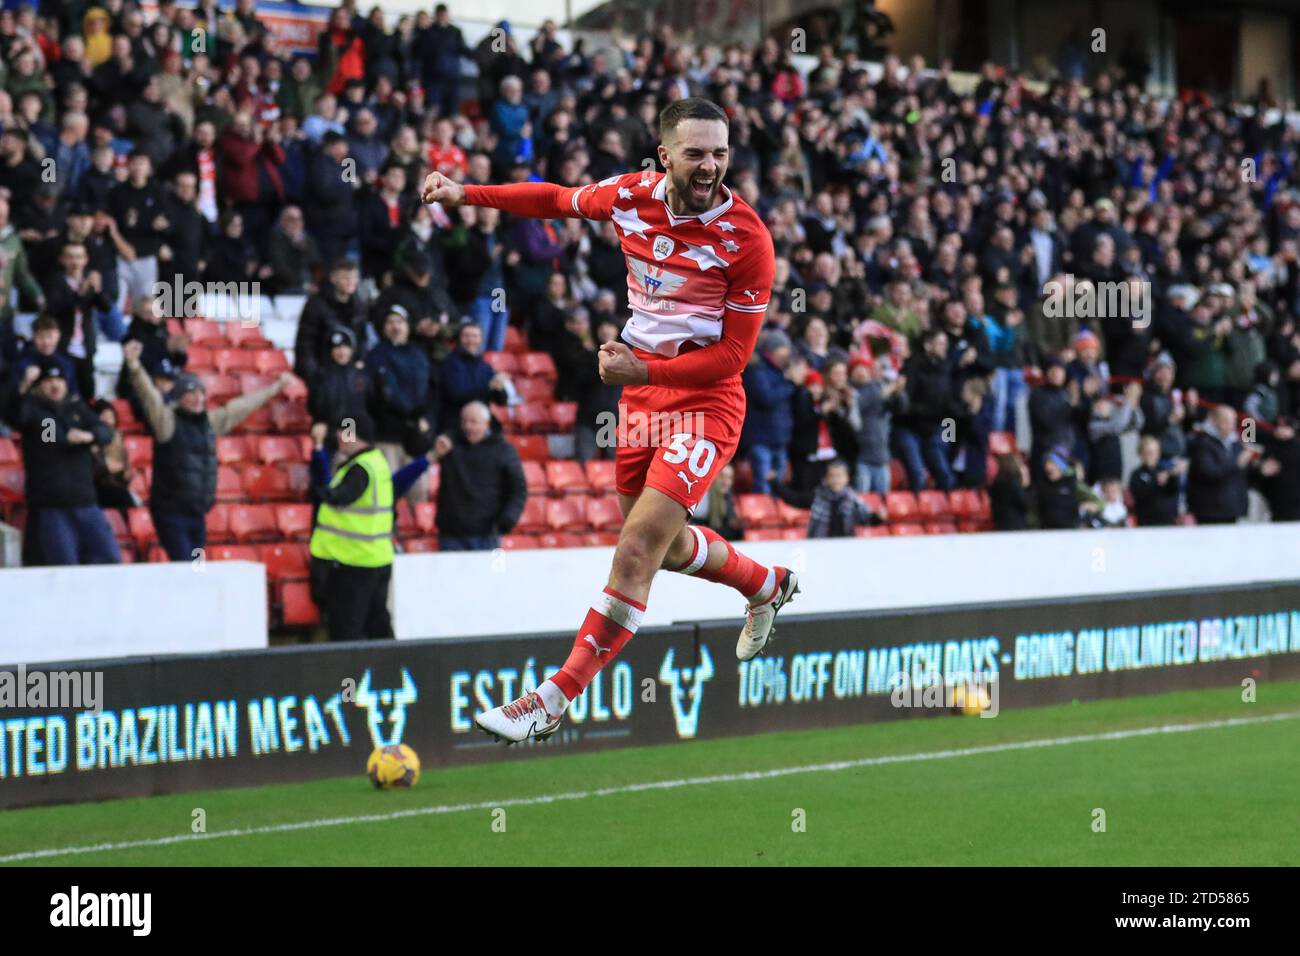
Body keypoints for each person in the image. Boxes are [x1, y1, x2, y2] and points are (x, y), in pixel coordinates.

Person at [423, 96, 797, 742]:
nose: (710, 166)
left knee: (633, 554)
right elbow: (555, 199)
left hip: (706, 405)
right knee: (665, 547)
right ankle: (765, 583)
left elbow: (734, 356)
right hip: (640, 402)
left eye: (720, 153)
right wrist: (466, 195)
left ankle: (550, 698)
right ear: (665, 156)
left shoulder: (748, 240)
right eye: (696, 153)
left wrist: (642, 372)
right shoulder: (631, 196)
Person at [123, 340, 294, 561]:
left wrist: (274, 388)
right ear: (179, 397)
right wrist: (134, 366)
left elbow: (241, 407)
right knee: (187, 566)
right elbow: (149, 397)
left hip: (197, 513)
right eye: (191, 394)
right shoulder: (167, 421)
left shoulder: (209, 423)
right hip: (171, 513)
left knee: (196, 568)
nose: (198, 399)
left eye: (201, 394)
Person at [8, 360, 120, 565]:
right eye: (49, 381)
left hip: (85, 501)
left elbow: (105, 431)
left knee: (110, 557)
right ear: (39, 386)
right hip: (53, 505)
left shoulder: (77, 407)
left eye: (59, 380)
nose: (55, 385)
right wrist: (71, 438)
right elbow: (49, 440)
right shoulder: (38, 412)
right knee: (64, 564)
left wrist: (89, 436)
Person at [308, 412, 396, 642]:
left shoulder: (360, 468)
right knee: (378, 626)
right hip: (376, 557)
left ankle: (349, 678)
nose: (339, 436)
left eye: (344, 431)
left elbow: (337, 496)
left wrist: (319, 476)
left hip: (355, 563)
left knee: (347, 630)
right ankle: (387, 673)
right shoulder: (376, 462)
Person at [430, 401, 527, 550]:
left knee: (489, 573)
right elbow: (419, 449)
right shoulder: (449, 446)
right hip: (451, 534)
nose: (468, 426)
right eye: (464, 421)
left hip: (488, 534)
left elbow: (518, 489)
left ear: (486, 424)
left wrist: (507, 520)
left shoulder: (503, 450)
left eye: (473, 422)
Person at [1187, 405, 1259, 525]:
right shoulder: (1202, 443)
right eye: (1226, 420)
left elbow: (1243, 475)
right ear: (1215, 421)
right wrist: (1236, 463)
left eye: (1233, 421)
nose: (1231, 425)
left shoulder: (1237, 444)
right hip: (1210, 511)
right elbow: (1209, 473)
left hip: (1232, 508)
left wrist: (1260, 469)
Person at [772, 458, 880, 538]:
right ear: (826, 478)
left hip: (847, 547)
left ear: (847, 478)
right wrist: (775, 483)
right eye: (832, 476)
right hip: (819, 546)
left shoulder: (852, 499)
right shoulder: (817, 496)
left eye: (839, 476)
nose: (836, 480)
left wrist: (878, 517)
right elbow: (794, 499)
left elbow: (866, 519)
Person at [1129, 435, 1183, 526]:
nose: (1151, 455)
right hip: (1146, 522)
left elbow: (1173, 490)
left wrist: (1174, 475)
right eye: (1148, 452)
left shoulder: (1165, 470)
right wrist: (1156, 481)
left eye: (1154, 452)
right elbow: (1139, 493)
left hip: (1168, 521)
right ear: (1141, 454)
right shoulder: (1137, 474)